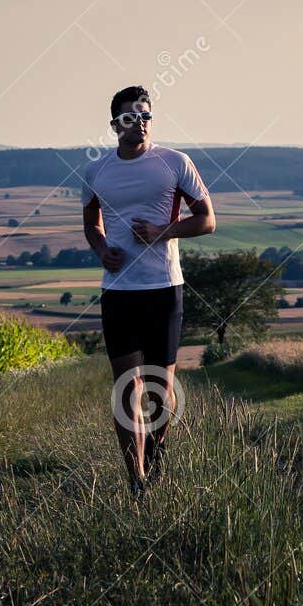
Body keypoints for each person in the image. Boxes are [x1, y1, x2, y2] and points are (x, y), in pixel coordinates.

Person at [81, 85, 215, 497]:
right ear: (114, 125)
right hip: (119, 292)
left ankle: (155, 458)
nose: (139, 121)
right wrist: (102, 249)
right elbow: (91, 223)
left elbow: (207, 219)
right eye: (130, 116)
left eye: (145, 115)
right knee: (127, 388)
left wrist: (164, 232)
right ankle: (135, 480)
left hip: (163, 289)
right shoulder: (96, 171)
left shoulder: (175, 163)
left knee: (158, 391)